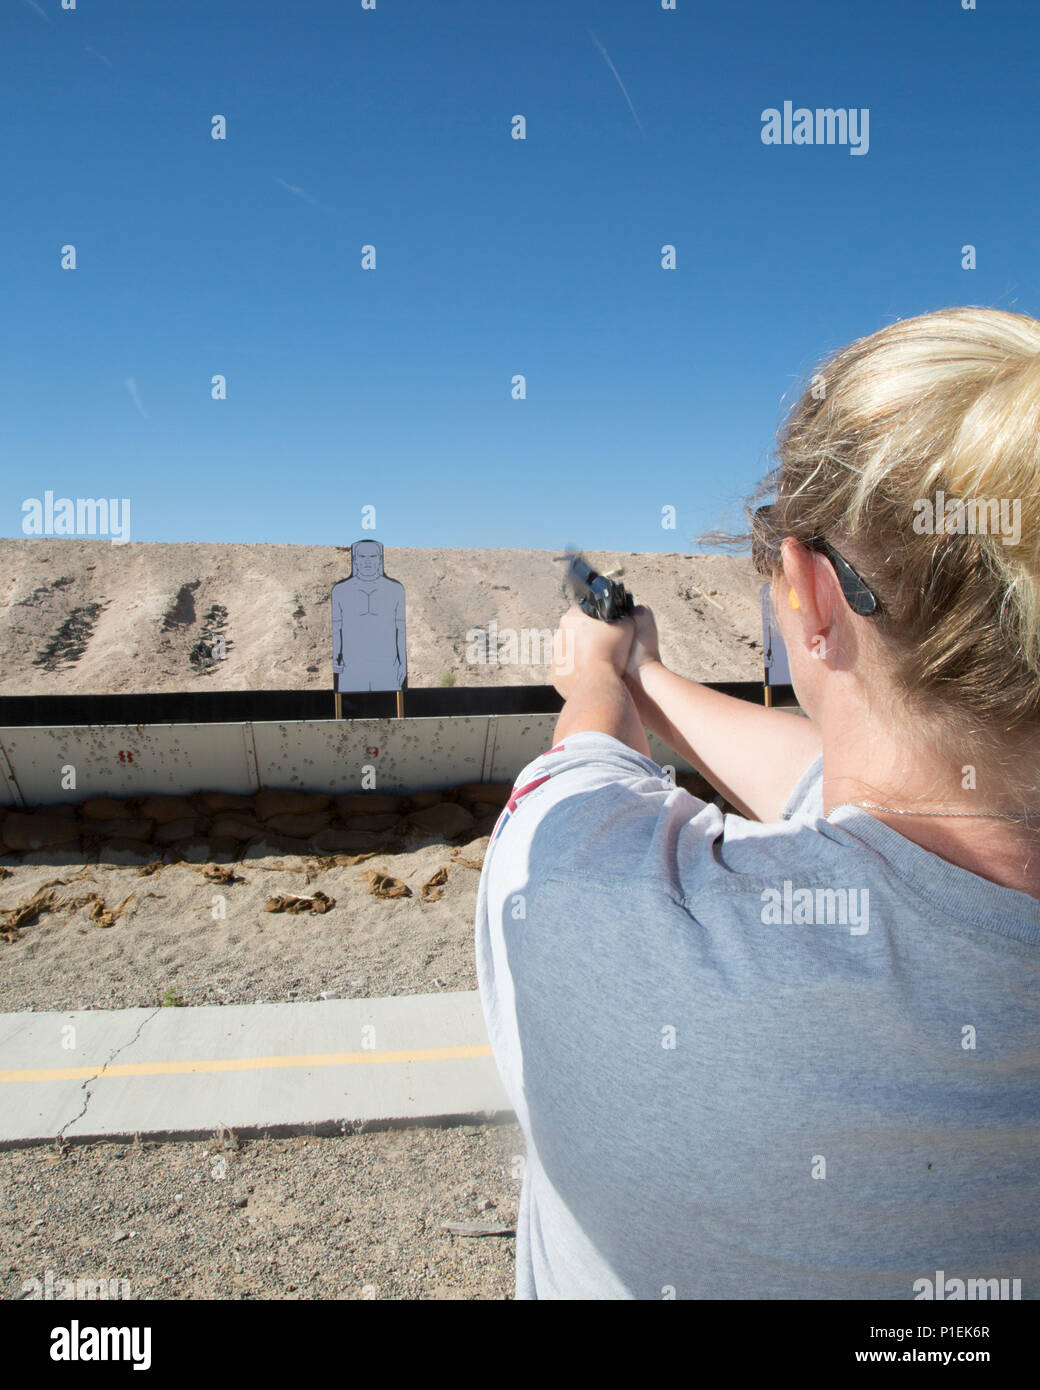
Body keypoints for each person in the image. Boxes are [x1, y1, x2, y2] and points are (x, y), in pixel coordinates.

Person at [475, 306, 1040, 1300]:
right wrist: (644, 673)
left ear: (809, 591)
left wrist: (594, 676)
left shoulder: (578, 899)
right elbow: (855, 781)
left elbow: (581, 777)